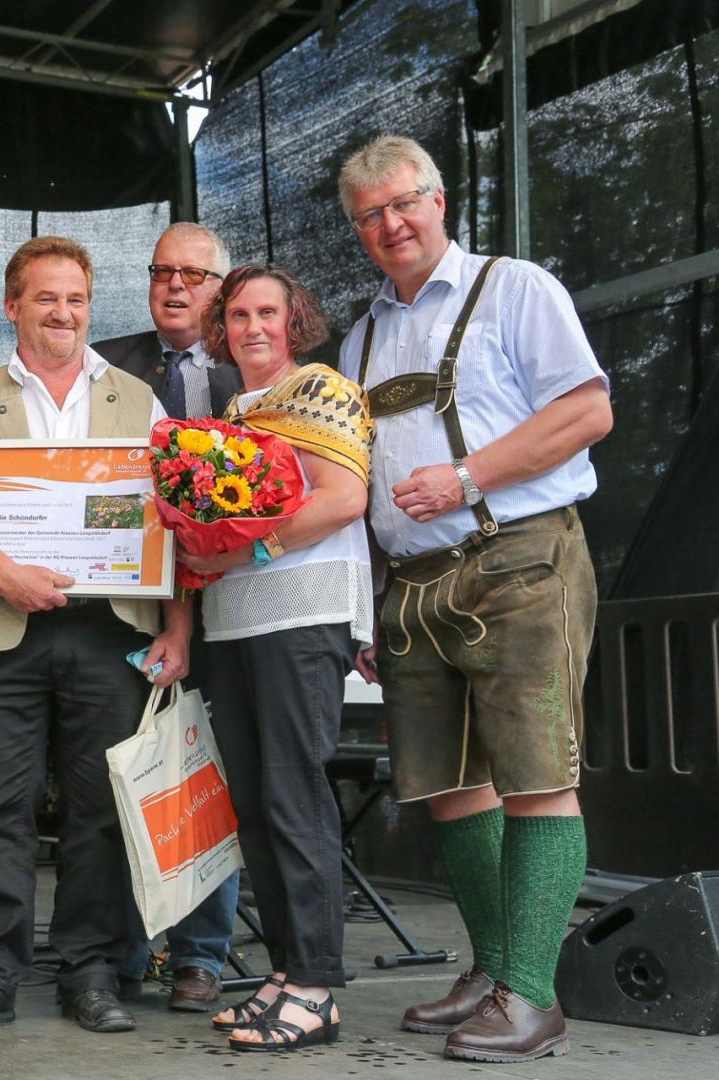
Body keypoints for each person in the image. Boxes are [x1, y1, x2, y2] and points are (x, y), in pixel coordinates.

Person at [337, 135, 612, 1063]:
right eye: (369, 215)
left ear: (440, 199)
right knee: (452, 789)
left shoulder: (517, 288)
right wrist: (366, 603)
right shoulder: (360, 338)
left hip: (519, 559)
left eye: (403, 203)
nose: (391, 224)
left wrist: (466, 475)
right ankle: (495, 970)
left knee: (538, 777)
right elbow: (356, 486)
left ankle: (534, 996)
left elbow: (586, 411)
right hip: (412, 585)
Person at [0, 237, 189, 1038]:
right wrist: (7, 576)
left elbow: (179, 524)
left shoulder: (143, 400)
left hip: (111, 632)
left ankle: (92, 973)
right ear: (13, 307)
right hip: (5, 632)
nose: (62, 313)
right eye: (45, 299)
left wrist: (177, 626)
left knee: (100, 808)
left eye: (74, 299)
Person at [177, 264, 373, 1052]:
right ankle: (287, 973)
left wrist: (244, 552)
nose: (253, 328)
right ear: (220, 328)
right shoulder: (234, 410)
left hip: (302, 615)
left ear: (295, 322)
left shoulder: (323, 389)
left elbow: (343, 500)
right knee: (255, 802)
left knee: (294, 797)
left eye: (268, 313)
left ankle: (319, 983)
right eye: (238, 316)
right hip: (235, 626)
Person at [93, 220, 244, 1012]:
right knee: (129, 778)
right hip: (127, 610)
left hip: (237, 609)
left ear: (223, 288)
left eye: (193, 274)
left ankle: (202, 956)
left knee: (203, 779)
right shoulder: (105, 364)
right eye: (162, 271)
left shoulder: (253, 371)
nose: (174, 286)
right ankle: (122, 949)